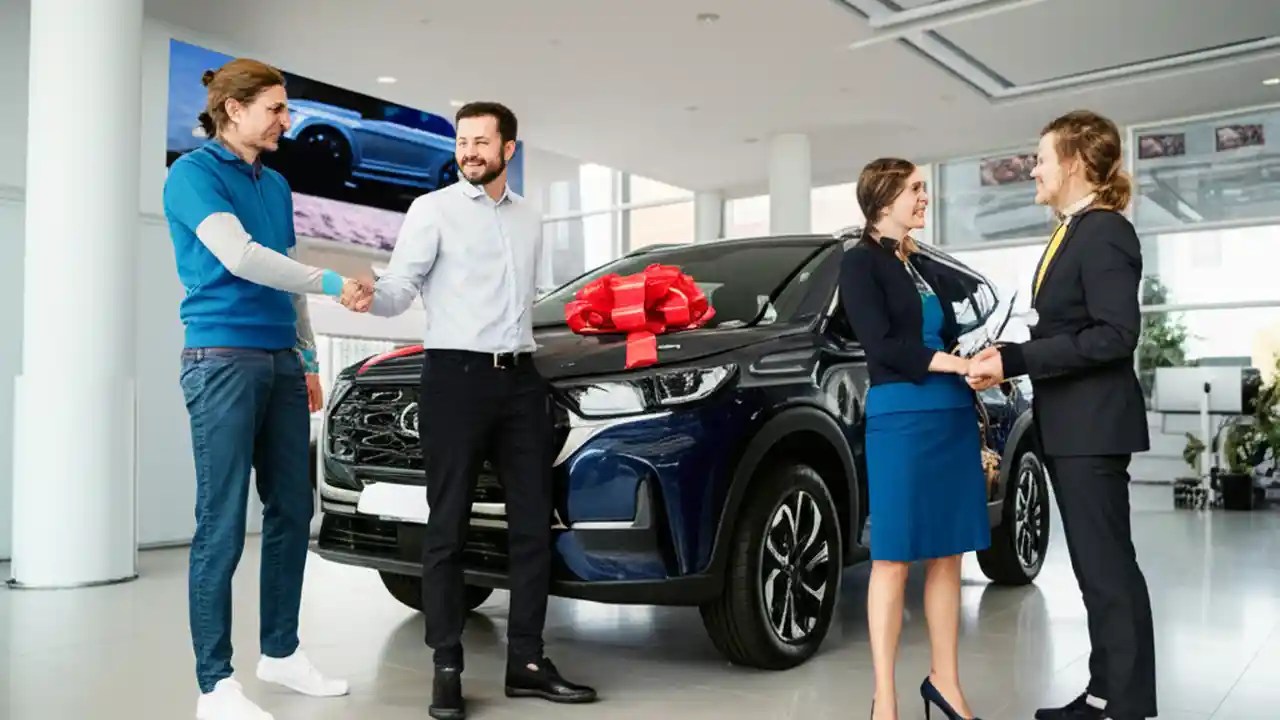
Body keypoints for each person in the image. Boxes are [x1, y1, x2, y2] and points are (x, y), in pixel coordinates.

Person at [341, 101, 597, 719]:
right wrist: (371, 297)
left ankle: (528, 662)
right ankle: (446, 666)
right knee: (447, 527)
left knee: (534, 526)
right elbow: (402, 288)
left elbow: (537, 300)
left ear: (509, 149)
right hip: (454, 379)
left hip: (521, 381)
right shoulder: (433, 211)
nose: (470, 151)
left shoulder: (532, 217)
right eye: (463, 141)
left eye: (482, 141)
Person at [162, 58, 364, 720]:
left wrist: (306, 355)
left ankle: (280, 653)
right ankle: (215, 685)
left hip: (279, 361)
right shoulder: (191, 176)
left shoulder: (275, 184)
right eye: (275, 108)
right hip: (220, 358)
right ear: (234, 110)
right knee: (221, 520)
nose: (287, 119)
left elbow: (284, 271)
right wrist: (335, 285)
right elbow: (242, 257)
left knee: (292, 510)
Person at [967, 110, 1156, 720]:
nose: (1034, 168)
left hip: (1092, 427)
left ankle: (1119, 705)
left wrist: (1018, 357)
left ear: (1073, 162)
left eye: (1042, 158)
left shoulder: (1102, 232)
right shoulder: (1077, 229)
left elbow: (1114, 335)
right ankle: (1107, 693)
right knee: (1098, 568)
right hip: (1076, 425)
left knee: (1106, 569)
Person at [840, 158, 989, 720]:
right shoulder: (860, 264)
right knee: (894, 556)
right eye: (914, 190)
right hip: (902, 417)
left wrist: (969, 361)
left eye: (923, 188)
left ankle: (945, 683)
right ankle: (885, 699)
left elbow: (957, 315)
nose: (924, 198)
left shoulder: (918, 264)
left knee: (949, 552)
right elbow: (881, 346)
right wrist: (954, 362)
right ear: (883, 198)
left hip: (948, 412)